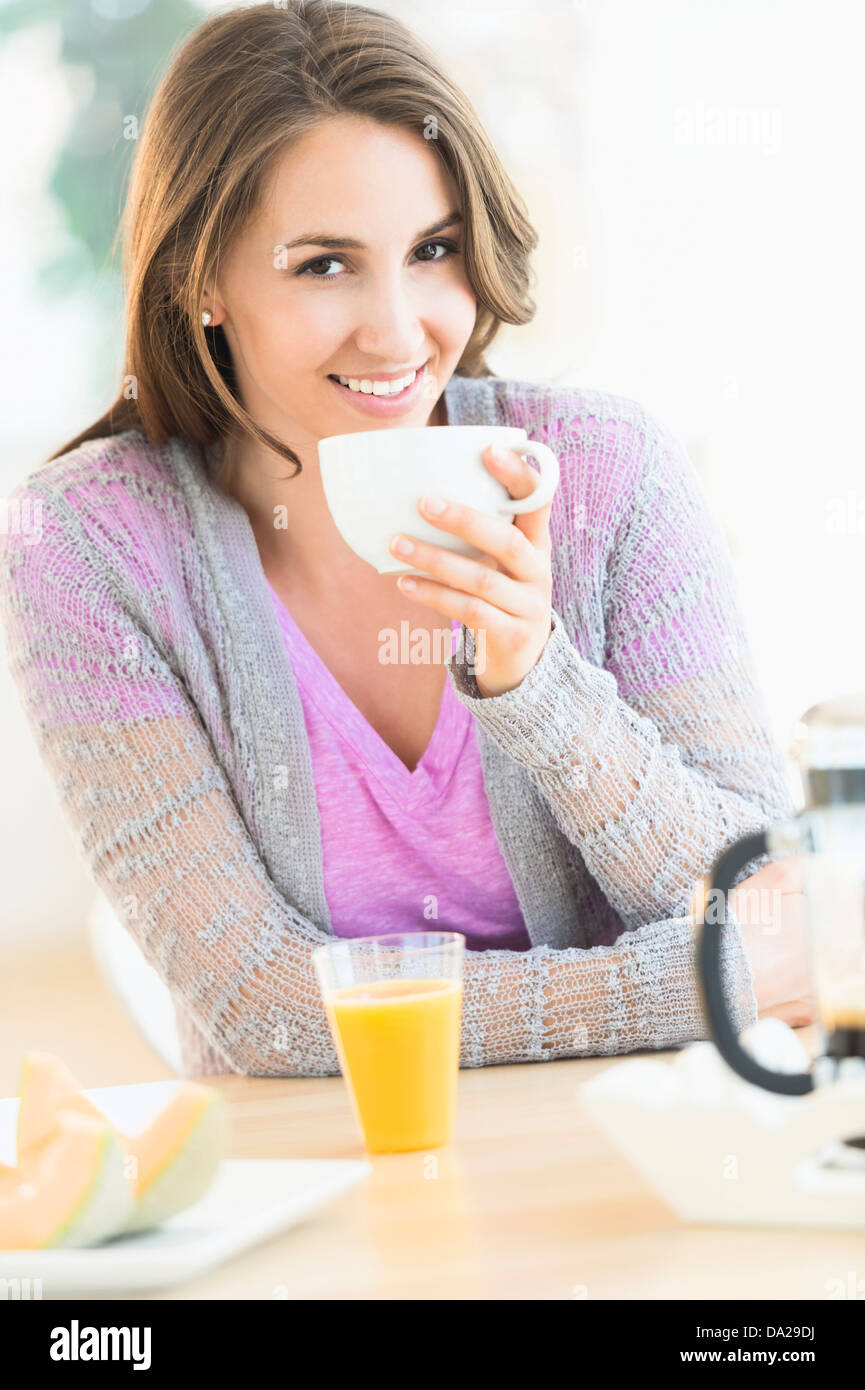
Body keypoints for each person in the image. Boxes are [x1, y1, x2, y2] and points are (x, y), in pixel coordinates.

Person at [0, 0, 813, 1078]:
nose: (397, 329)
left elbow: (768, 896)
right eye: (323, 265)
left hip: (633, 1165)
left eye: (432, 251)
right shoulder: (87, 547)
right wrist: (692, 986)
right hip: (321, 1195)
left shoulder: (608, 474)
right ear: (199, 278)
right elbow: (262, 1006)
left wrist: (537, 687)